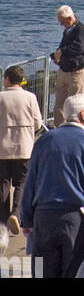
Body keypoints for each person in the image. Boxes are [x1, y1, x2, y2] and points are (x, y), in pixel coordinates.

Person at [19, 92, 84, 278]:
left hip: (43, 218)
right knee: (77, 272)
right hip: (78, 219)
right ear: (83, 114)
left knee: (42, 271)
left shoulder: (44, 141)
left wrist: (26, 219)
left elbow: (30, 182)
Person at [0, 64, 43, 236]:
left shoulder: (0, 97)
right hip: (24, 147)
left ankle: (2, 222)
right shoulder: (30, 97)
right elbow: (38, 123)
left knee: (3, 184)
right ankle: (16, 214)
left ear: (7, 79)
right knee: (22, 182)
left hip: (2, 148)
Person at [51, 6, 84, 130]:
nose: (61, 24)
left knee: (76, 104)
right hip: (64, 70)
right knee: (59, 102)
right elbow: (64, 46)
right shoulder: (67, 30)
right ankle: (59, 128)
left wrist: (62, 52)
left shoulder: (80, 29)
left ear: (70, 18)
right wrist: (56, 56)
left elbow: (78, 47)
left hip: (76, 72)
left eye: (63, 22)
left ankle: (77, 129)